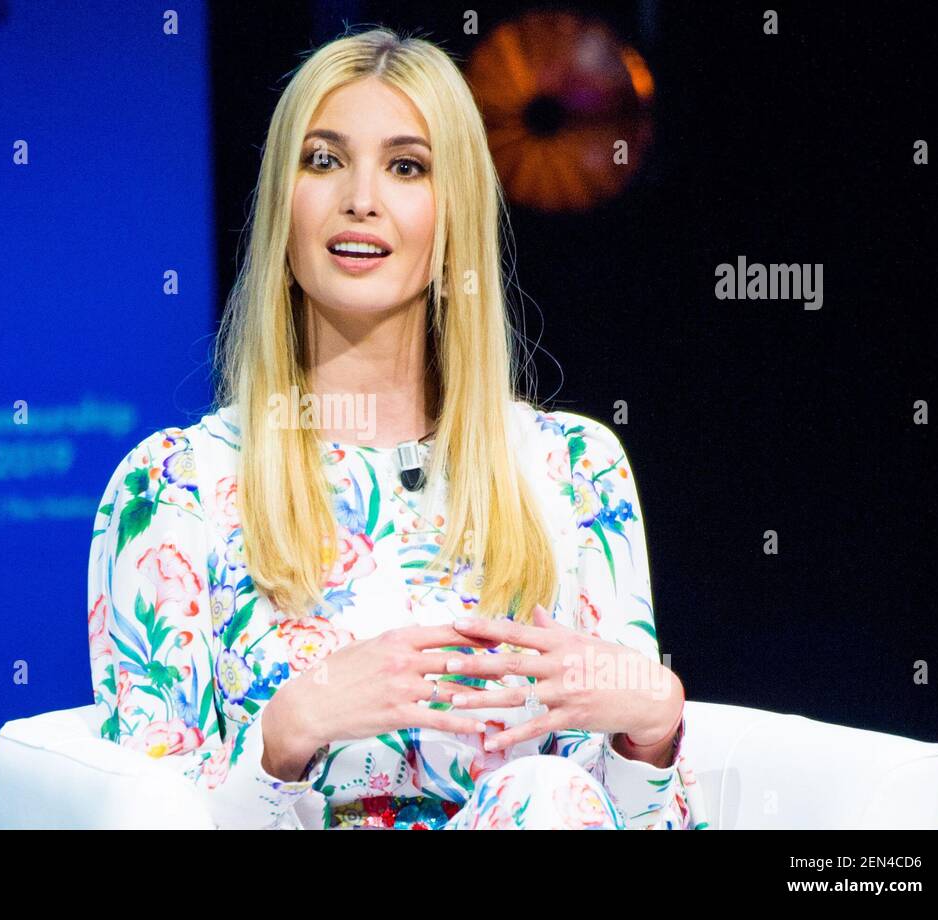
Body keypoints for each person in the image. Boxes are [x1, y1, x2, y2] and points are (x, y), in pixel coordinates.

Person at [87, 26, 709, 830]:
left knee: (546, 796)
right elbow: (146, 814)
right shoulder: (171, 488)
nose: (361, 198)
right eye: (324, 160)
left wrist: (651, 730)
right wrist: (287, 735)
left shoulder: (576, 470)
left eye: (407, 166)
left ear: (454, 224)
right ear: (283, 207)